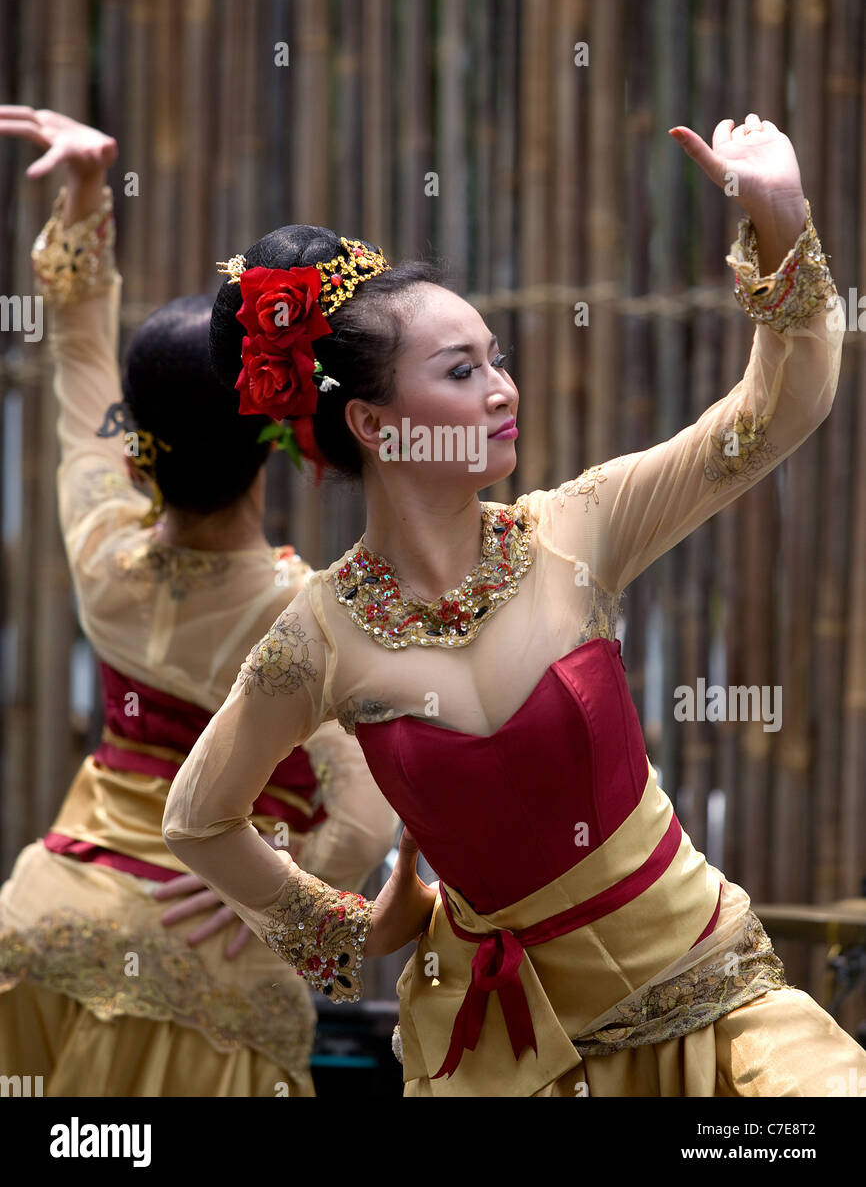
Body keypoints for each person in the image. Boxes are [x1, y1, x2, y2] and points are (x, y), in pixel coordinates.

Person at [163, 114, 865, 1097]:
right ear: (371, 421)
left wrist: (780, 217)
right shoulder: (318, 637)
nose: (502, 389)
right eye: (461, 370)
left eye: (496, 358)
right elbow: (198, 817)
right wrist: (350, 929)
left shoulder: (575, 531)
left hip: (707, 999)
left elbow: (774, 413)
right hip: (506, 1053)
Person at [0, 106, 396, 1098]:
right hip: (206, 972)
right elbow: (365, 815)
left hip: (43, 918)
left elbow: (79, 348)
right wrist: (277, 886)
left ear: (135, 440)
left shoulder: (101, 540)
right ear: (274, 434)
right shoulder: (312, 619)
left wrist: (85, 192)